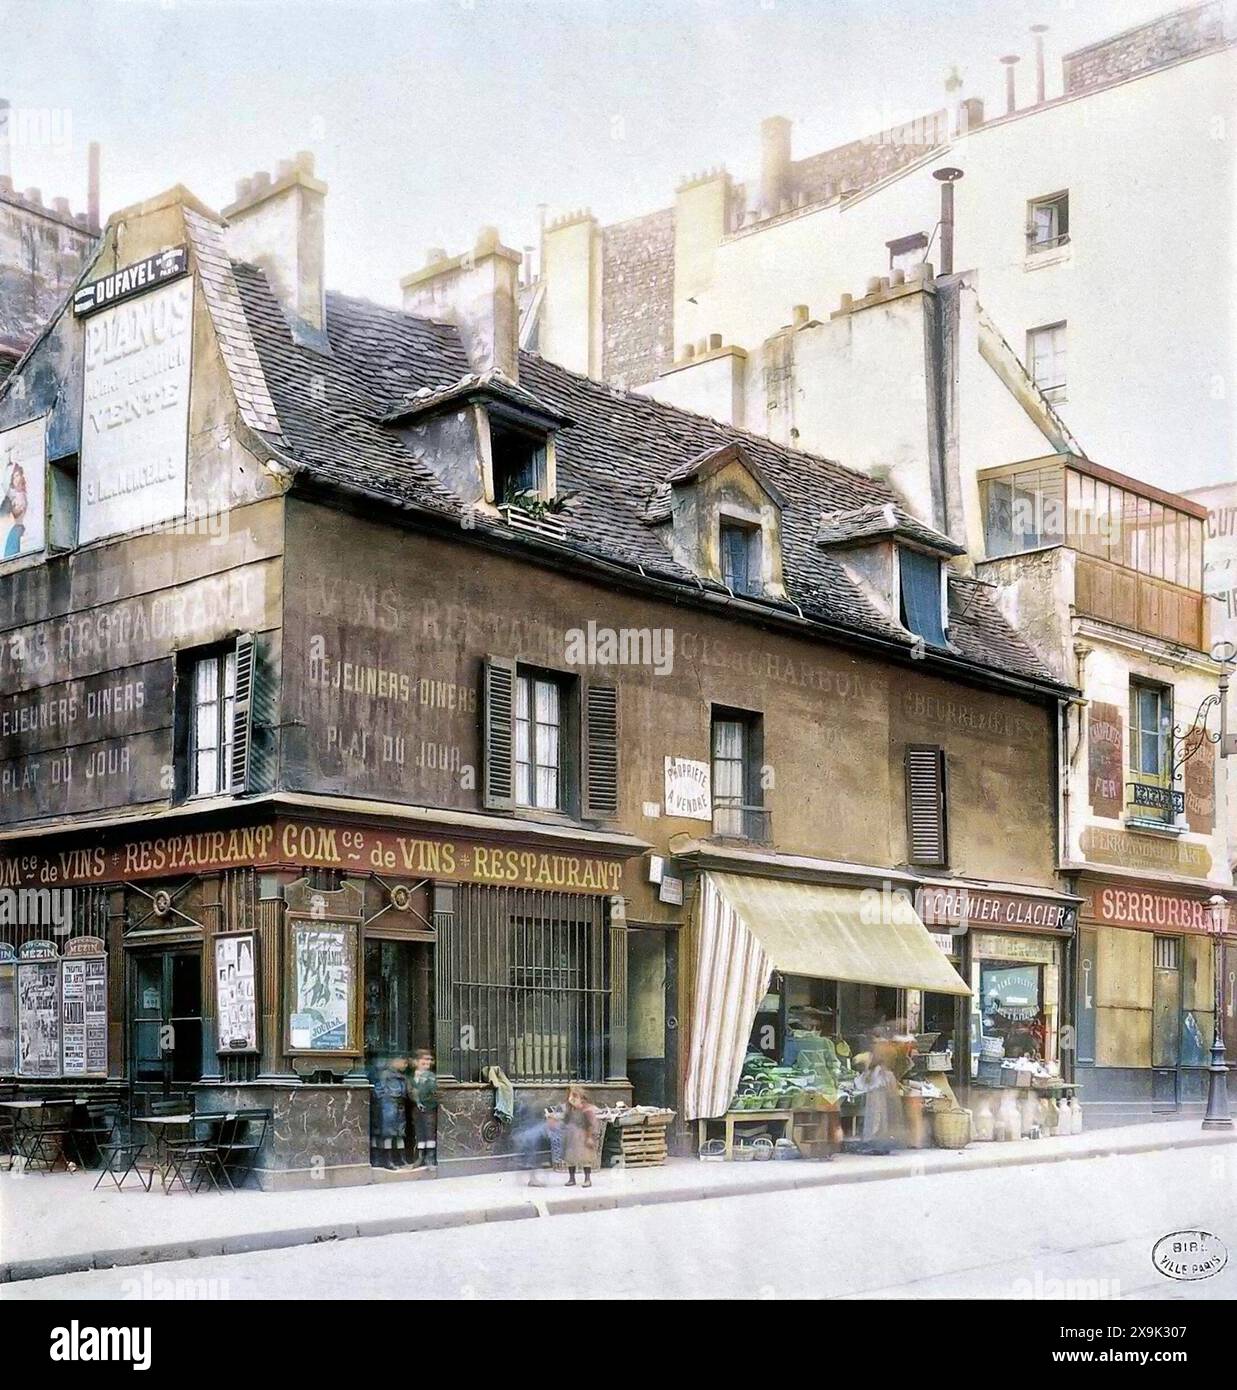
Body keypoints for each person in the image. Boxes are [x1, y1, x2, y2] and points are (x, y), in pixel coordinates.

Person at [370, 1055, 409, 1169]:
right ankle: (387, 1159)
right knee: (387, 1133)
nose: (405, 1065)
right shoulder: (385, 1074)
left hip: (398, 1106)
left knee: (399, 1133)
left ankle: (400, 1158)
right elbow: (378, 1090)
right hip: (387, 1106)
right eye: (403, 1062)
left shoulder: (401, 1076)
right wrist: (381, 1100)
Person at [562, 1085, 600, 1187]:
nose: (572, 1099)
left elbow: (590, 1125)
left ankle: (587, 1179)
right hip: (571, 1136)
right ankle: (571, 1178)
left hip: (583, 1136)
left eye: (575, 1096)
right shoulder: (569, 1109)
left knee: (585, 1158)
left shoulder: (586, 1110)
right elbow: (565, 1121)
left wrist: (589, 1137)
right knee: (571, 1158)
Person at [408, 1048, 439, 1170]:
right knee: (419, 1131)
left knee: (429, 1131)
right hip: (416, 1109)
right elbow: (410, 1091)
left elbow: (434, 1092)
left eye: (429, 1060)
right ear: (416, 1062)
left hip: (429, 1108)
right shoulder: (411, 1077)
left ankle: (429, 1156)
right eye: (424, 1060)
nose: (427, 1063)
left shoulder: (431, 1077)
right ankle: (420, 1156)